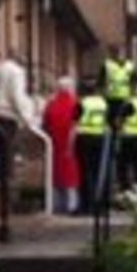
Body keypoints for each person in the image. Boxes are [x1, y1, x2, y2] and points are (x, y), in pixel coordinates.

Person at [0, 49, 32, 188]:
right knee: (7, 151)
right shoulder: (17, 72)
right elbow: (16, 95)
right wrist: (26, 116)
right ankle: (4, 185)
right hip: (8, 115)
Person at [42, 77, 81, 214]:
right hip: (70, 145)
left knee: (55, 175)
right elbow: (77, 125)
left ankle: (55, 205)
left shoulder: (51, 104)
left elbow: (45, 124)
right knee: (71, 176)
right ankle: (71, 205)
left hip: (53, 145)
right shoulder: (75, 103)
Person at [74, 81, 109, 215]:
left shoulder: (82, 103)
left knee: (85, 173)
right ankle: (102, 205)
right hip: (100, 139)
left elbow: (74, 124)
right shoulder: (104, 104)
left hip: (84, 138)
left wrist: (69, 145)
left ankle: (86, 205)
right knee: (100, 172)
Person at [97, 44, 136, 132]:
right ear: (111, 54)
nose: (117, 54)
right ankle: (112, 139)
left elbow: (134, 80)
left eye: (119, 52)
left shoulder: (129, 66)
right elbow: (100, 82)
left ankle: (119, 137)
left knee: (122, 123)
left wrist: (133, 92)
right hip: (111, 98)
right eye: (114, 52)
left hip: (125, 98)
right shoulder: (107, 65)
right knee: (112, 124)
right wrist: (101, 94)